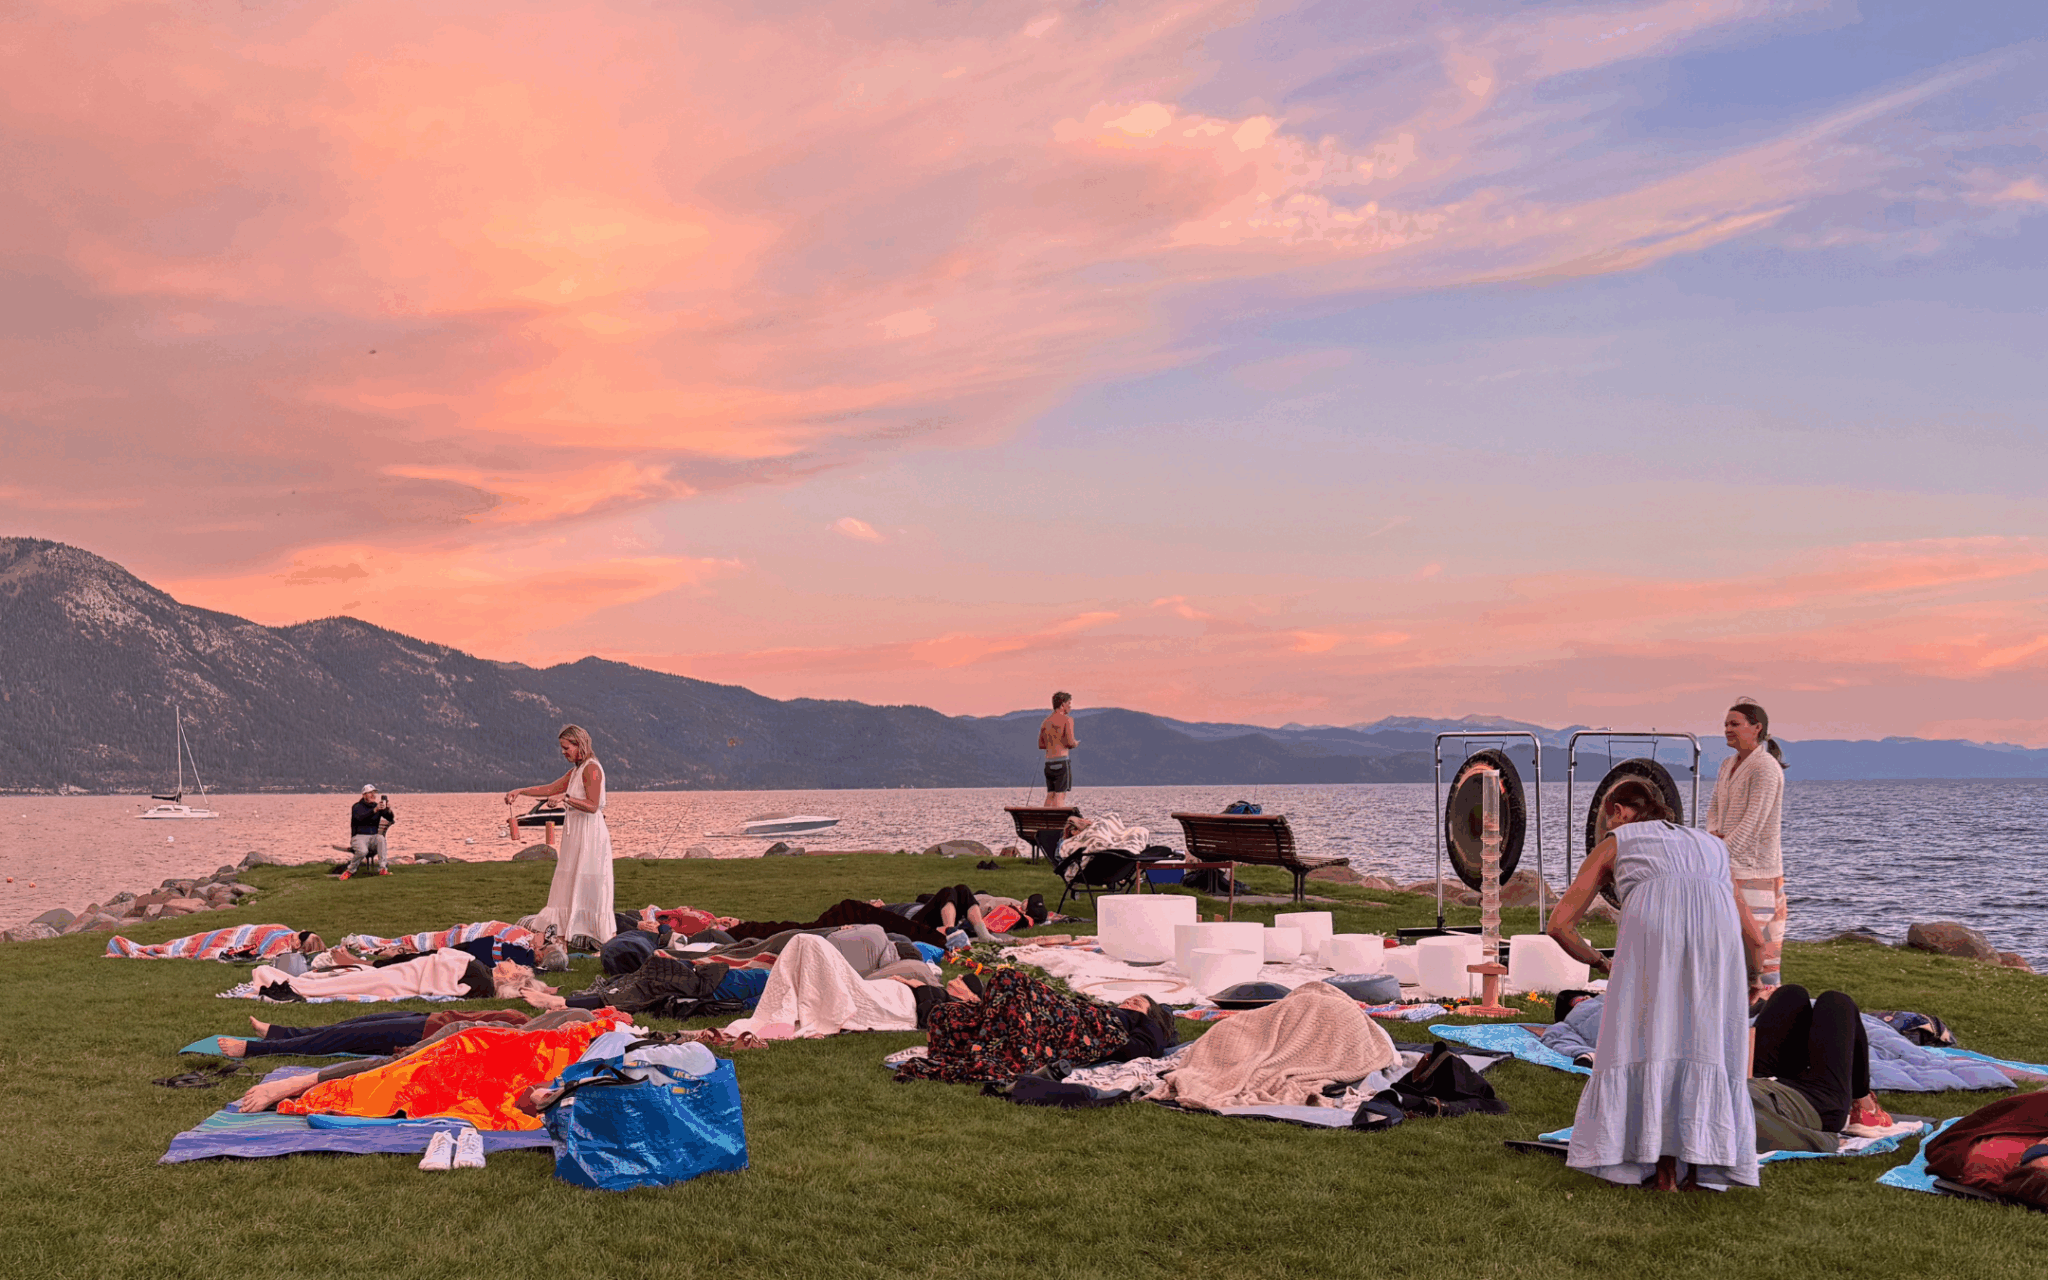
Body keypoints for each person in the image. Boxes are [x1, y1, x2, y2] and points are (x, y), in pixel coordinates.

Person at [1546, 777, 1767, 1191]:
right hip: (1716, 944)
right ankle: (1703, 1165)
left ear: (1618, 811)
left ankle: (1662, 1172)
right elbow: (1754, 935)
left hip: (1654, 936)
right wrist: (1755, 978)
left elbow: (1559, 925)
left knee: (1654, 1038)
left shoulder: (1617, 842)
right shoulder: (1713, 846)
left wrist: (1601, 961)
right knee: (1702, 1041)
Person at [894, 964, 1175, 1083]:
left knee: (1009, 979)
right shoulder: (1105, 1009)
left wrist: (1105, 1044)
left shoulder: (1141, 1024)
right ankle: (986, 1050)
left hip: (1075, 1032)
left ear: (1151, 1014)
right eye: (1128, 1000)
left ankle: (1004, 1058)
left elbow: (1148, 1046)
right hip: (1053, 1021)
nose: (1129, 1003)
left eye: (1137, 1003)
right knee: (946, 1014)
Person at [506, 724, 615, 947]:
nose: (563, 752)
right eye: (562, 748)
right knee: (567, 881)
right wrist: (520, 791)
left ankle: (600, 938)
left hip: (589, 834)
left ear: (579, 745)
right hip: (575, 833)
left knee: (588, 881)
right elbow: (549, 788)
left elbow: (593, 806)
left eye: (566, 748)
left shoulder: (591, 768)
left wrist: (566, 798)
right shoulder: (577, 770)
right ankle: (563, 936)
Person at [1707, 697, 1788, 994]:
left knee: (1759, 950)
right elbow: (1714, 807)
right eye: (1726, 724)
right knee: (1727, 946)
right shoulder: (1727, 764)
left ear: (1756, 728)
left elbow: (1755, 819)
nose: (1728, 729)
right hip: (1727, 867)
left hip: (1756, 871)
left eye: (1734, 724)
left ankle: (1763, 1020)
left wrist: (1720, 850)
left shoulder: (1765, 768)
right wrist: (1711, 837)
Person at [342, 785, 395, 880]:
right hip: (358, 837)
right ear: (364, 795)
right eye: (370, 793)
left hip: (373, 837)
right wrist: (375, 810)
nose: (373, 795)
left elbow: (390, 818)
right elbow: (360, 818)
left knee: (381, 839)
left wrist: (388, 810)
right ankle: (349, 871)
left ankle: (383, 869)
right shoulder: (357, 807)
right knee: (363, 851)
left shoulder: (377, 806)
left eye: (374, 793)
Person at [1040, 691, 1077, 806]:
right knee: (1060, 795)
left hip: (1048, 763)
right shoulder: (1067, 720)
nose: (1070, 707)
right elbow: (1070, 742)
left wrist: (1053, 741)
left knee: (1050, 794)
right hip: (1061, 761)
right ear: (1062, 705)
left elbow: (1041, 745)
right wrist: (1076, 743)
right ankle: (1058, 822)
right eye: (1069, 703)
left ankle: (1045, 822)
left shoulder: (1046, 722)